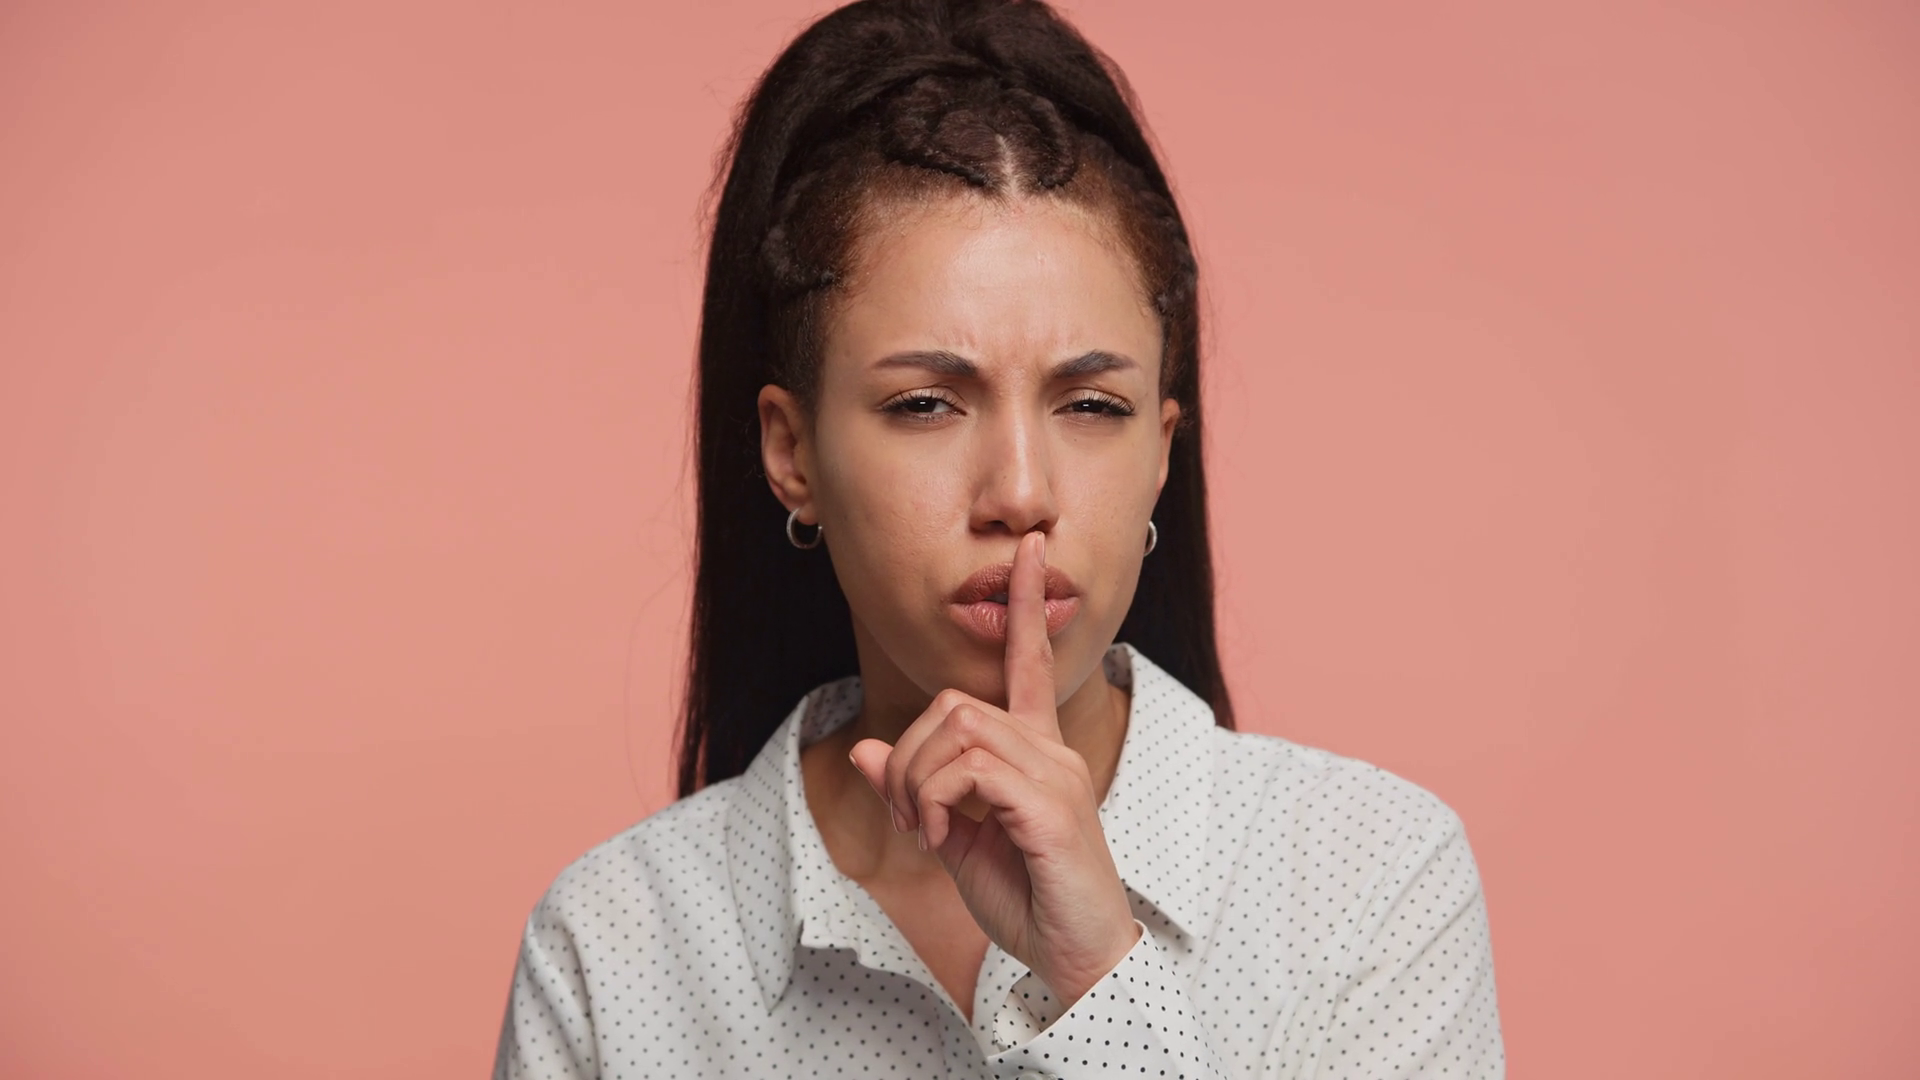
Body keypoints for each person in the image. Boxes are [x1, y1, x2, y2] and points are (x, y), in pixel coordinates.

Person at [492, 0, 1504, 1075]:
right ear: (792, 451)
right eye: (926, 404)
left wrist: (1100, 977)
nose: (1020, 493)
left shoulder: (1370, 880)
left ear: (1162, 449)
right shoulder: (615, 947)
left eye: (1092, 407)